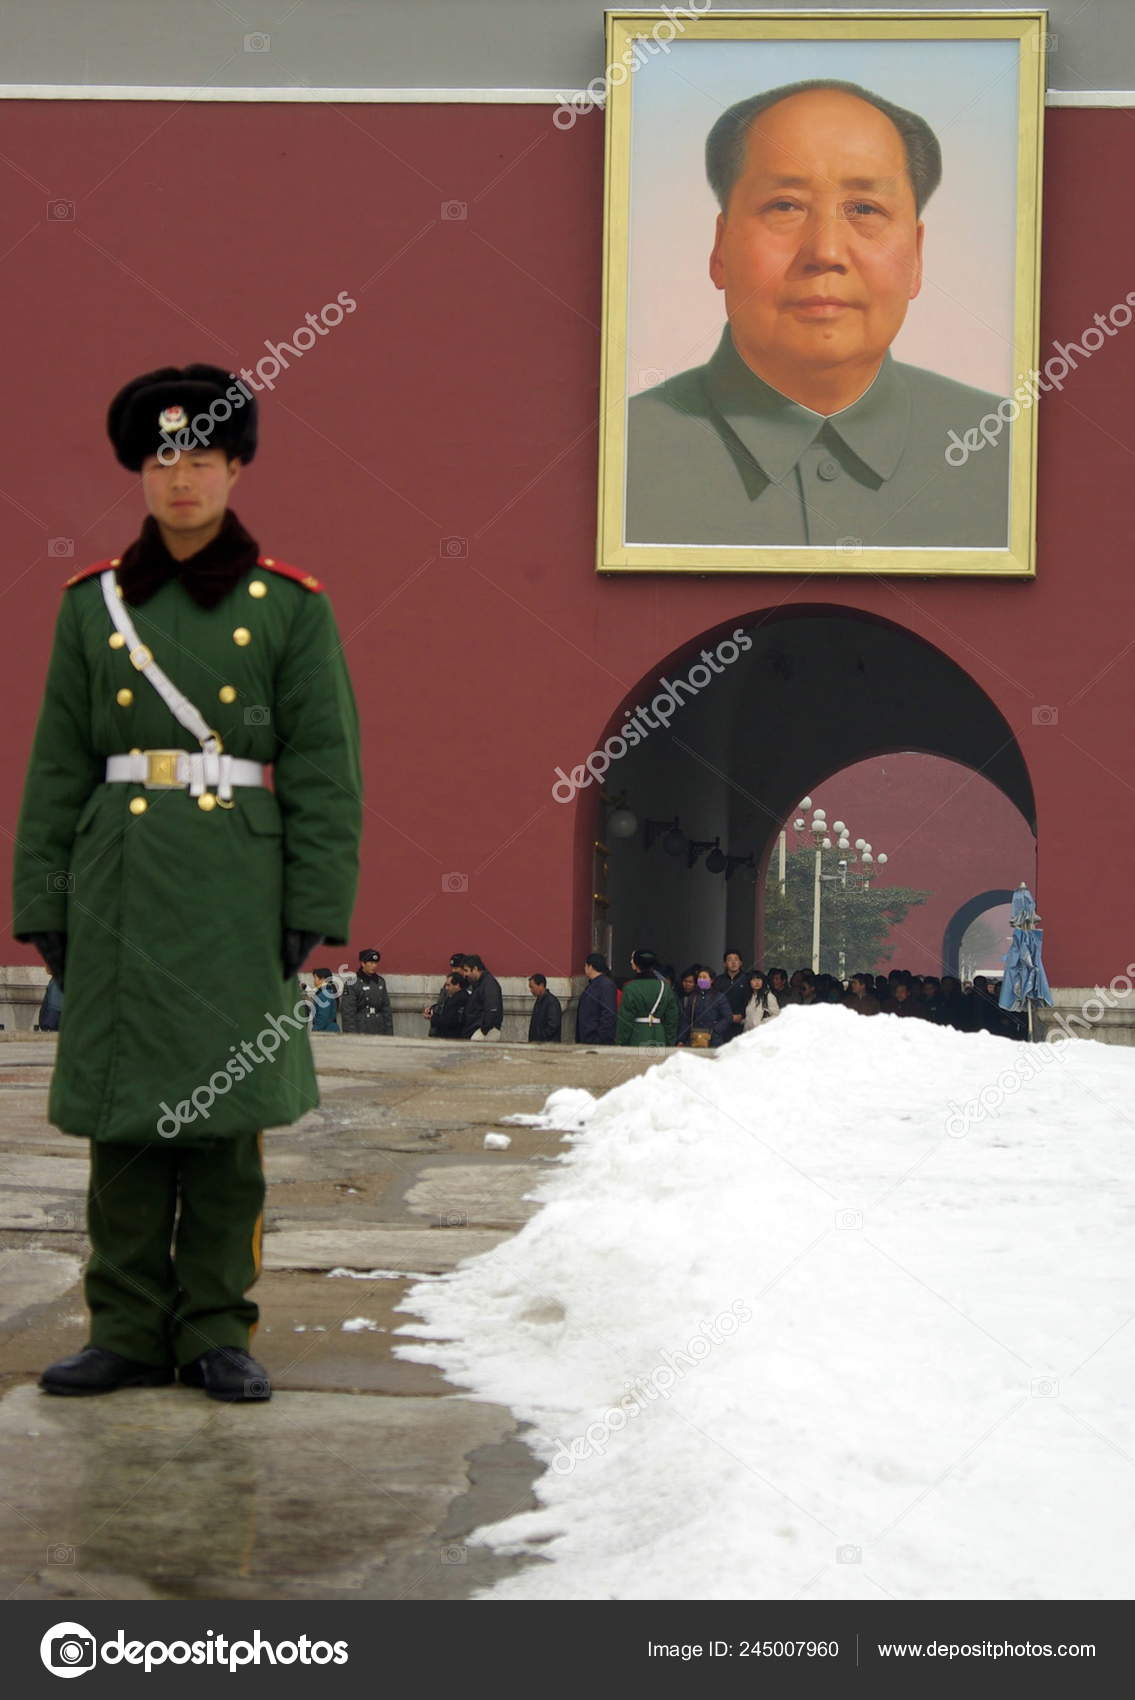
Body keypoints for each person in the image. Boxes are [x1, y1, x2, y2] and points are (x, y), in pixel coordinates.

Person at [13, 362, 361, 1402]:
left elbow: (322, 766)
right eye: (163, 460)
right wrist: (42, 896)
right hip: (117, 882)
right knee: (122, 1117)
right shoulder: (94, 607)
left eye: (201, 459)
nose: (181, 480)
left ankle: (217, 1328)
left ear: (235, 467)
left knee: (223, 1122)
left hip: (233, 888)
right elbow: (58, 763)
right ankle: (122, 1325)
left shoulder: (289, 608)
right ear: (141, 472)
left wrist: (312, 903)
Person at [626, 79, 1009, 549]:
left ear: (917, 256)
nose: (825, 251)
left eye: (864, 209)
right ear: (720, 249)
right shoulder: (617, 456)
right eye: (785, 206)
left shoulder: (1010, 453)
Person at [616, 948, 679, 1047]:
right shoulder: (665, 987)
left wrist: (620, 1042)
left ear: (636, 965)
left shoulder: (630, 988)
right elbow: (672, 1019)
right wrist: (669, 1041)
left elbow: (625, 1019)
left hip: (637, 1036)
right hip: (660, 1035)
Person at [676, 966, 733, 1047]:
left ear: (711, 980)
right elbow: (686, 1020)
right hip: (696, 1038)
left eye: (704, 977)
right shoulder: (693, 997)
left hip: (714, 1040)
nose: (701, 979)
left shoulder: (719, 997)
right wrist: (681, 1040)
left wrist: (715, 1031)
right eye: (699, 977)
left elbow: (728, 1017)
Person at [340, 948, 393, 1035]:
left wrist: (389, 1034)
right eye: (371, 963)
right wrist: (350, 1035)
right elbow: (348, 1013)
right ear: (363, 963)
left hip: (379, 1028)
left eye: (375, 963)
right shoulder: (352, 983)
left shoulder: (380, 982)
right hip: (361, 1028)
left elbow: (386, 1010)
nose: (374, 966)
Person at [576, 951, 617, 1046]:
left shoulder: (606, 985)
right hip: (588, 1038)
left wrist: (599, 1038)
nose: (584, 968)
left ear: (590, 967)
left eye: (585, 965)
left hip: (597, 1040)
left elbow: (608, 1014)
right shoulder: (593, 984)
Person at [462, 954, 504, 1041]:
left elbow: (492, 1008)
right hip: (480, 1030)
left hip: (485, 1031)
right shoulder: (479, 984)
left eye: (466, 971)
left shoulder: (488, 984)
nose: (465, 974)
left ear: (475, 969)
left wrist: (483, 1030)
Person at [712, 948, 750, 1041]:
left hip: (742, 1023)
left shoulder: (747, 979)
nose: (733, 963)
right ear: (725, 964)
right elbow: (714, 1001)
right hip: (722, 1023)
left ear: (741, 963)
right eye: (730, 960)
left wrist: (742, 1014)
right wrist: (727, 1017)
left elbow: (750, 1000)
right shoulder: (718, 981)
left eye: (736, 959)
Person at [428, 972, 470, 1039]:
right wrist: (431, 1009)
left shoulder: (459, 999)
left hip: (451, 1037)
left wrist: (432, 1017)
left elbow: (448, 1021)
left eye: (448, 985)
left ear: (457, 985)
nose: (446, 988)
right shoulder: (454, 997)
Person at [527, 973, 562, 1043]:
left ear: (541, 985)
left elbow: (553, 1026)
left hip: (547, 1044)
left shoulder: (551, 1002)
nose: (531, 990)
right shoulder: (540, 1000)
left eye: (532, 987)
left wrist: (539, 1038)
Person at [307, 967, 341, 1033]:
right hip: (330, 1029)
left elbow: (322, 1017)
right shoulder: (329, 992)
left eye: (315, 978)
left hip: (325, 1031)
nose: (314, 981)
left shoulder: (324, 995)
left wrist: (315, 1031)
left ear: (322, 979)